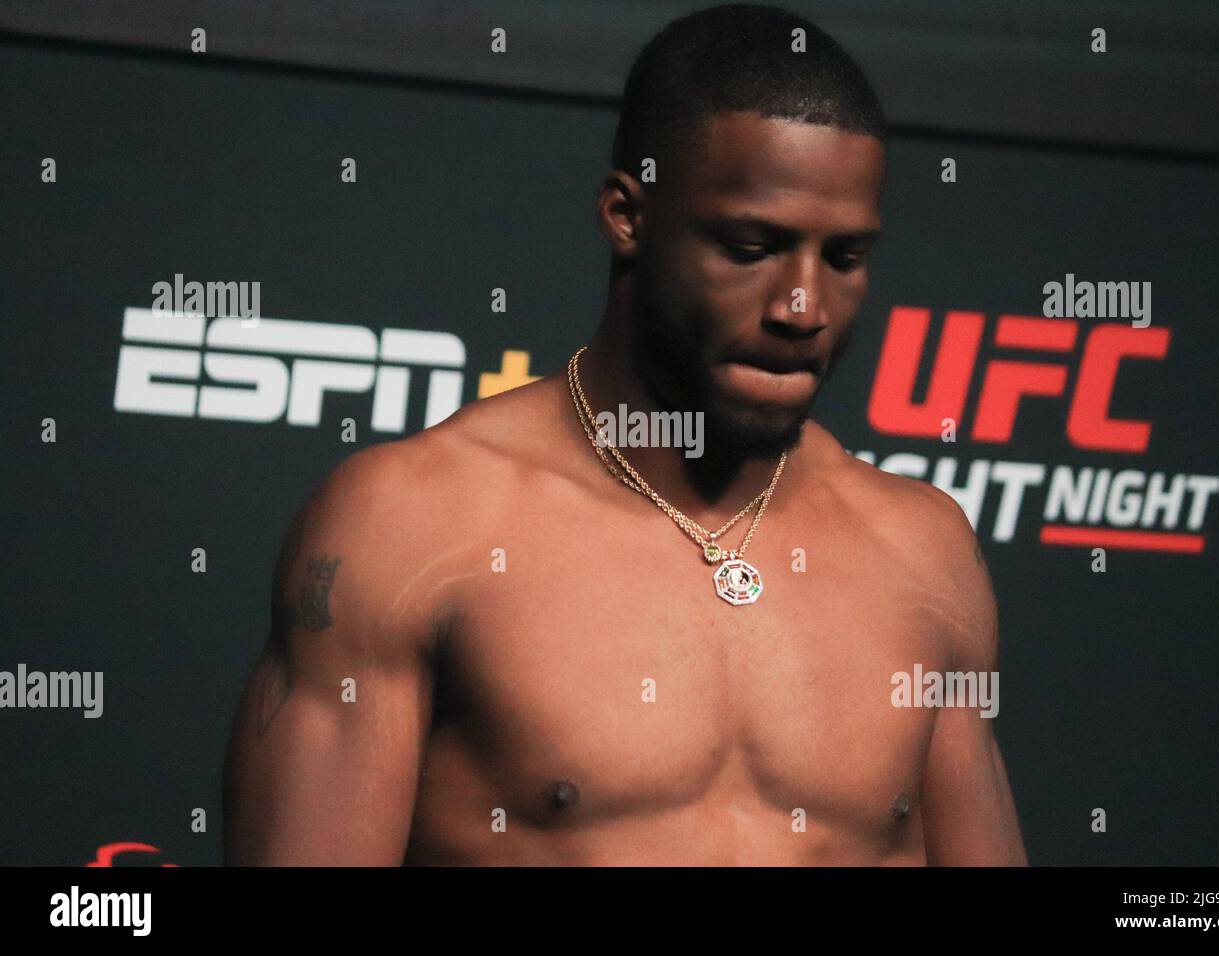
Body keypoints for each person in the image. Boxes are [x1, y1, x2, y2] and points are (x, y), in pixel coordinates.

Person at [223, 3, 1027, 865]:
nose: (804, 308)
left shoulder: (922, 550)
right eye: (753, 246)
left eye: (844, 259)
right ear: (626, 215)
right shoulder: (413, 523)